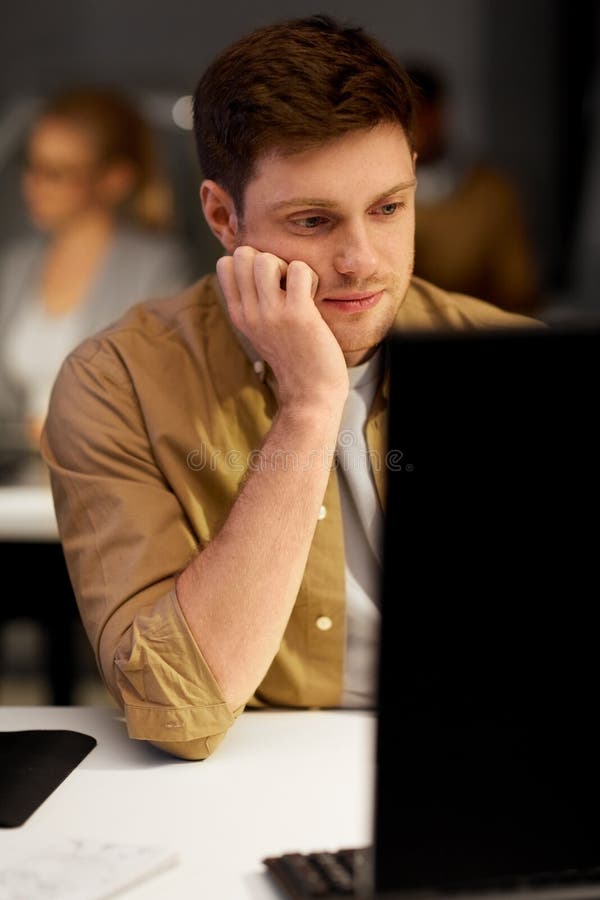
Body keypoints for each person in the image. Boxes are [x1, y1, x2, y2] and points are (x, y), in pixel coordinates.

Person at [41, 15, 538, 760]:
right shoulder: (117, 383)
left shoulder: (513, 363)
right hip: (245, 787)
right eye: (312, 220)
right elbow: (176, 711)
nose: (361, 261)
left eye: (388, 207)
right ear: (222, 215)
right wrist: (310, 406)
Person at [0, 86, 193, 451]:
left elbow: (164, 389)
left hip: (114, 472)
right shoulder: (14, 267)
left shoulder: (155, 269)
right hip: (20, 481)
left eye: (55, 172)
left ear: (114, 179)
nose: (33, 185)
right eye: (32, 166)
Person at [406, 63, 542, 316]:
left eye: (421, 114)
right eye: (405, 116)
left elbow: (518, 291)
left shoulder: (492, 193)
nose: (415, 128)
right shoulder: (371, 192)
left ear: (439, 113)